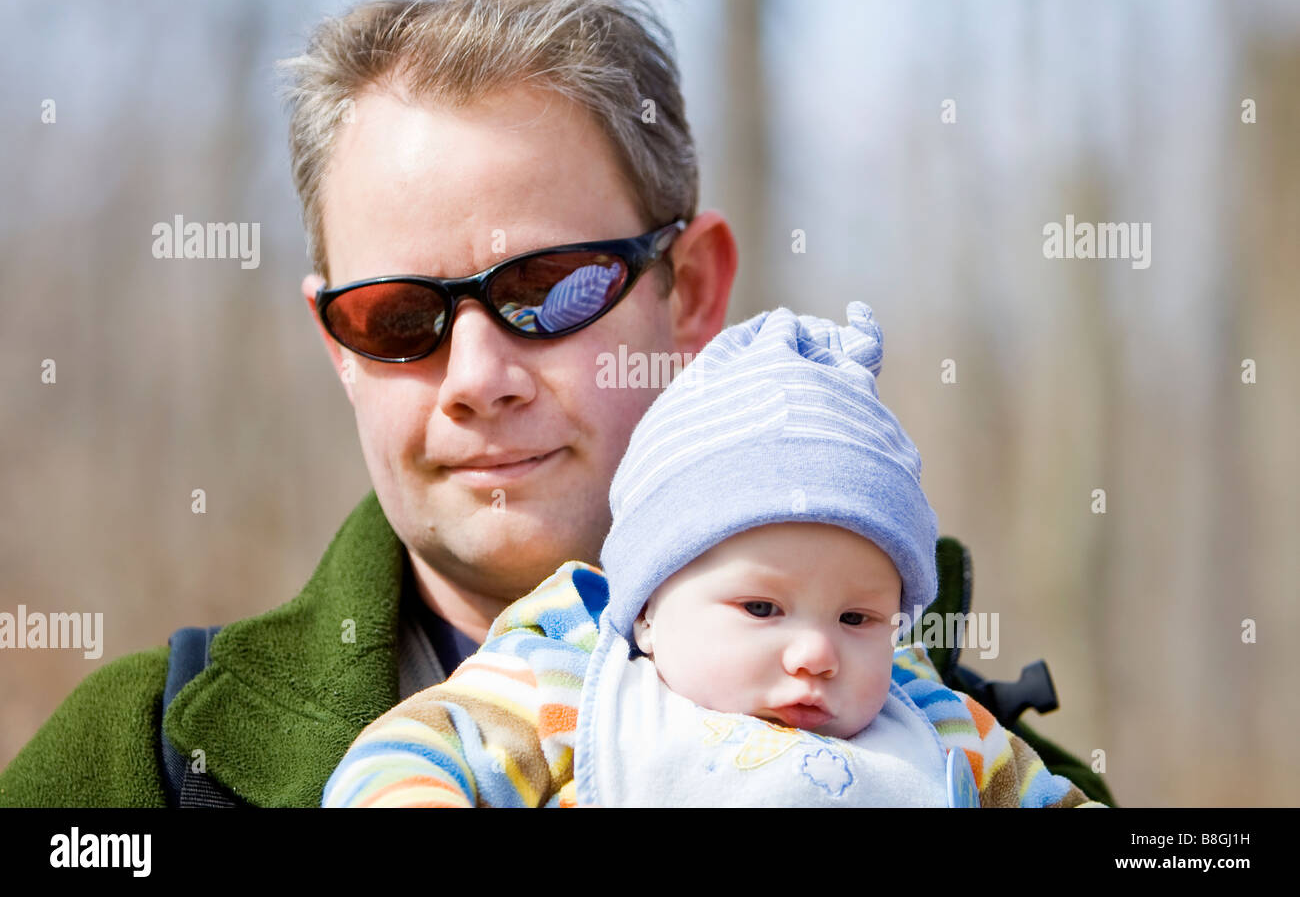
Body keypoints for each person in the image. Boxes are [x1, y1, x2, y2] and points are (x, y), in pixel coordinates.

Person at [0, 0, 738, 807]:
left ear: (694, 288)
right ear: (338, 348)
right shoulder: (143, 762)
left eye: (542, 290)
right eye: (395, 317)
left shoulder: (916, 645)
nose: (476, 380)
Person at [321, 303, 1101, 807]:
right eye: (761, 607)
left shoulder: (939, 729)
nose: (815, 652)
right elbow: (400, 755)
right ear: (651, 606)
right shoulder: (570, 691)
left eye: (859, 617)